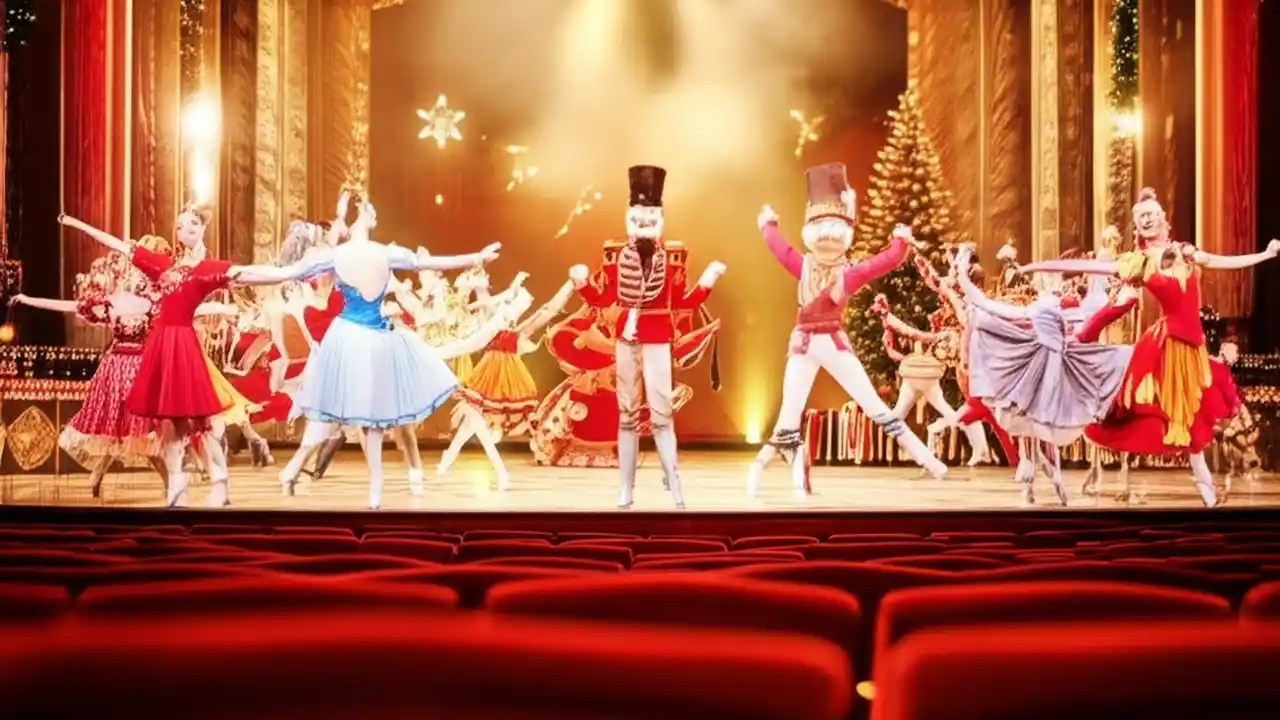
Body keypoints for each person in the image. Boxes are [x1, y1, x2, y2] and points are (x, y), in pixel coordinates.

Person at [236, 197, 502, 509]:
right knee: (369, 418)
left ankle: (368, 482)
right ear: (370, 216)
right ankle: (376, 484)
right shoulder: (380, 253)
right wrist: (477, 257)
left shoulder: (340, 254)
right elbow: (431, 263)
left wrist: (235, 273)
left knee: (365, 417)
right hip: (367, 340)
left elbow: (286, 272)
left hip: (350, 337)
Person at [1018, 188, 1279, 506]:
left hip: (1193, 349)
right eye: (1141, 217)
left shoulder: (1185, 252)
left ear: (1164, 219)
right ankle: (1206, 489)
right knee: (1173, 415)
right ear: (1136, 226)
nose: (1147, 219)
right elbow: (1108, 283)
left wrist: (1264, 256)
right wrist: (1042, 269)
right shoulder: (1137, 263)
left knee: (1197, 412)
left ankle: (1209, 488)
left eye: (1152, 213)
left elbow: (1221, 262)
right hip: (1165, 348)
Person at [749, 162, 946, 499]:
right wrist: (767, 224)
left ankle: (928, 460)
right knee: (791, 411)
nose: (827, 235)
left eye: (835, 228)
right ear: (810, 229)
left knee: (872, 407)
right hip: (805, 344)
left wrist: (900, 242)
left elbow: (881, 262)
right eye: (821, 227)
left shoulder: (847, 273)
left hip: (829, 344)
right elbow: (780, 249)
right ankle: (771, 467)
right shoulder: (807, 265)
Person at [568, 165, 726, 509]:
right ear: (629, 215)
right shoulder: (614, 258)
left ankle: (675, 481)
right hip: (626, 338)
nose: (644, 218)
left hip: (657, 339)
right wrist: (581, 283)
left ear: (660, 216)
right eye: (638, 213)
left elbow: (684, 303)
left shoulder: (671, 260)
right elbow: (602, 299)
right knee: (625, 415)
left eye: (651, 212)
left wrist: (708, 281)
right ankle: (626, 487)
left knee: (661, 414)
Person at [953, 244, 1132, 505]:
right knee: (1034, 418)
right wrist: (960, 274)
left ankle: (1047, 477)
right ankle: (1037, 474)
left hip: (1058, 367)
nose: (1055, 286)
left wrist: (1104, 275)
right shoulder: (1040, 310)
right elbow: (986, 305)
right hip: (1040, 366)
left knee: (1041, 421)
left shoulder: (1068, 310)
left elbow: (1096, 310)